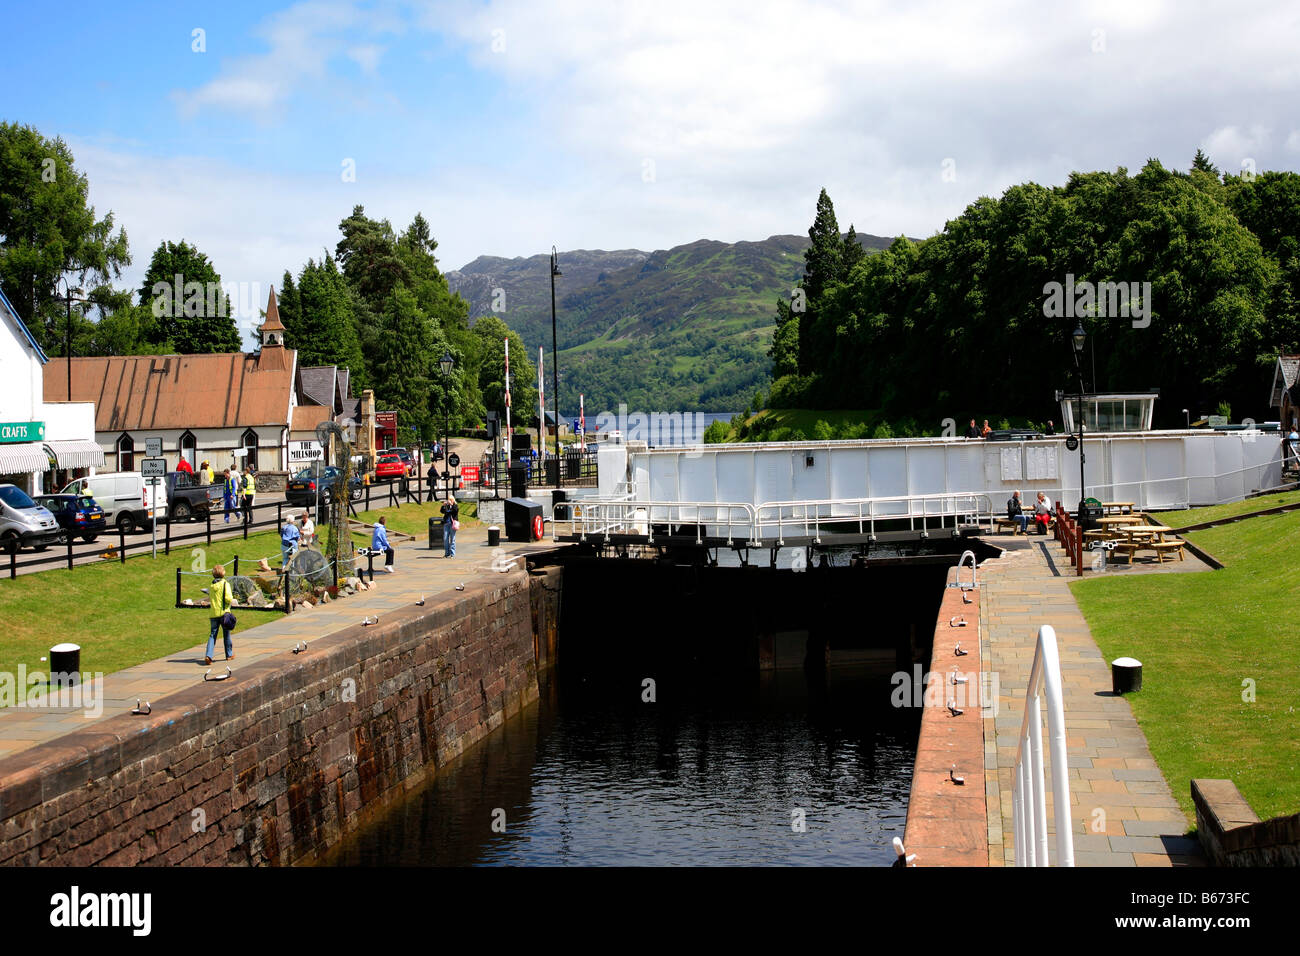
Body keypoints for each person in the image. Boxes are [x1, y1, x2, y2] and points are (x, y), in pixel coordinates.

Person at [204, 564, 236, 665]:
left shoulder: (211, 586)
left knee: (212, 635)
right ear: (223, 573)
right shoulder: (225, 584)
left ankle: (208, 655)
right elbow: (228, 598)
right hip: (224, 613)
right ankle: (229, 655)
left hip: (213, 614)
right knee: (226, 634)